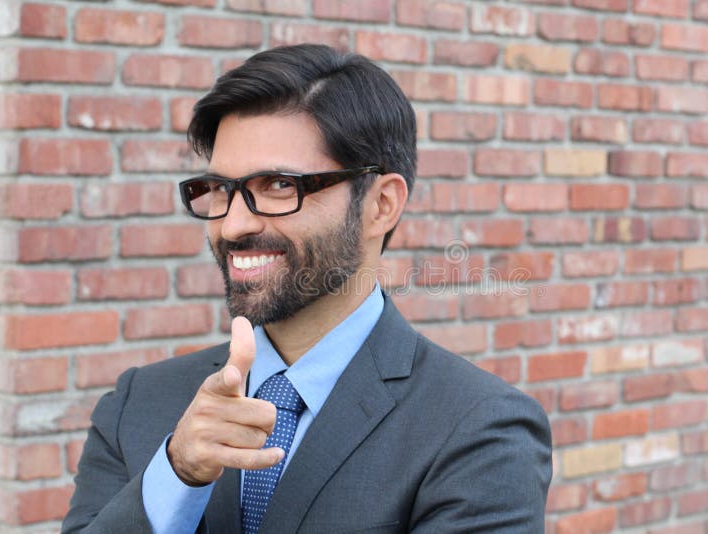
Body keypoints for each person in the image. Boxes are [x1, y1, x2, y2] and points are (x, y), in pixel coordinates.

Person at [62, 44, 552, 534]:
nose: (233, 226)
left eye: (277, 185)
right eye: (218, 190)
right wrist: (177, 476)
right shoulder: (139, 403)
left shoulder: (479, 430)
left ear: (380, 205)